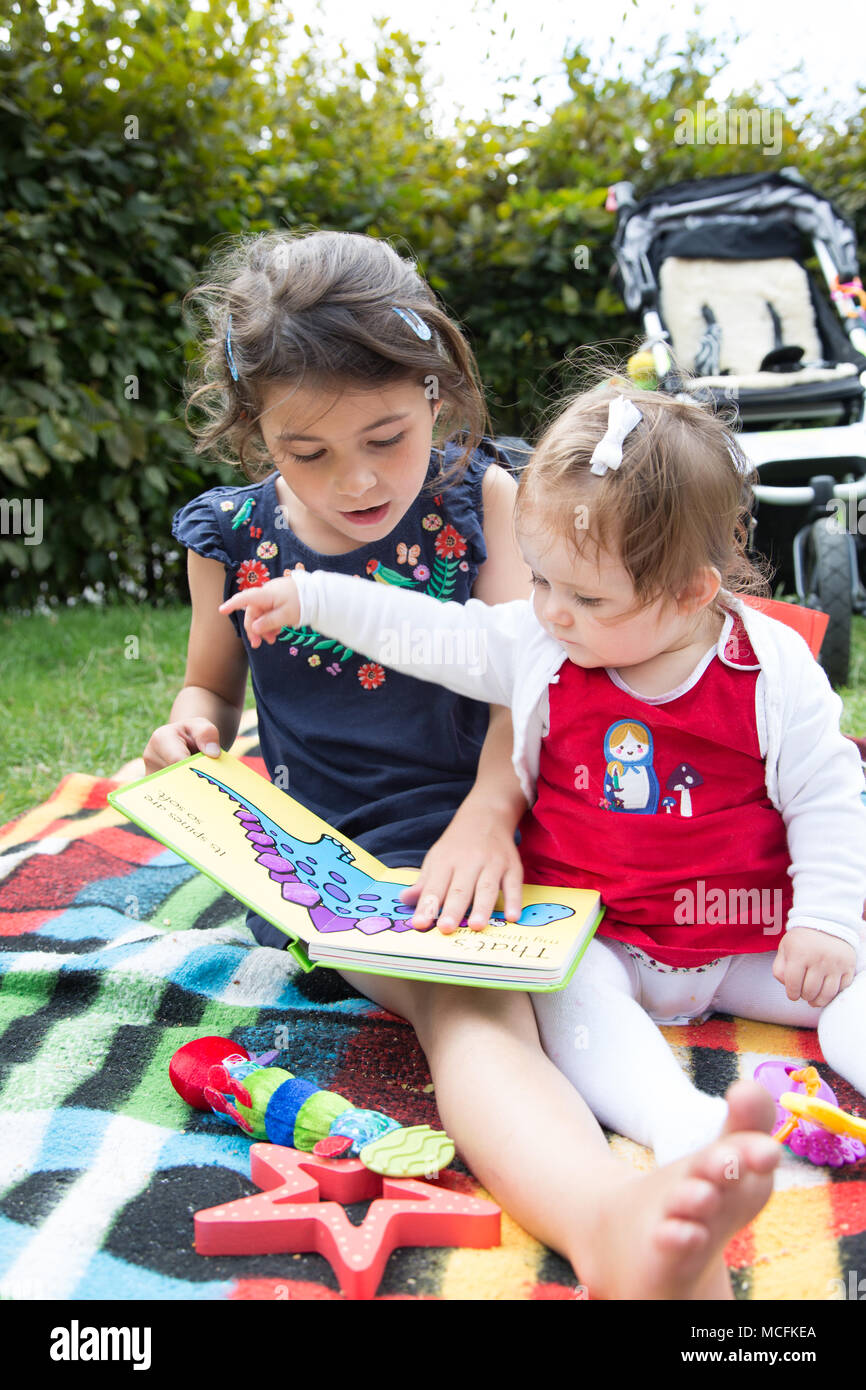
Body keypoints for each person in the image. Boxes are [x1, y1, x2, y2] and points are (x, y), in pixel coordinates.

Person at [148, 234, 781, 1299]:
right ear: (252, 429)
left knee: (568, 959)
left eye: (386, 437)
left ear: (435, 396)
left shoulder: (475, 501)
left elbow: (522, 675)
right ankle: (603, 1225)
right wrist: (190, 730)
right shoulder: (232, 539)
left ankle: (629, 1196)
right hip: (347, 864)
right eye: (306, 452)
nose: (355, 479)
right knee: (467, 1000)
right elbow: (207, 687)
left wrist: (488, 810)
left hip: (514, 824)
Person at [222, 378, 866, 1181]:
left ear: (693, 591)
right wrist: (313, 597)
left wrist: (827, 923)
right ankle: (676, 1121)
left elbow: (829, 799)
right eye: (539, 580)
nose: (553, 610)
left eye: (587, 596)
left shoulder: (770, 671)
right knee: (562, 995)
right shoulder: (543, 643)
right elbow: (435, 634)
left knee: (858, 973)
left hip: (751, 936)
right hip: (601, 935)